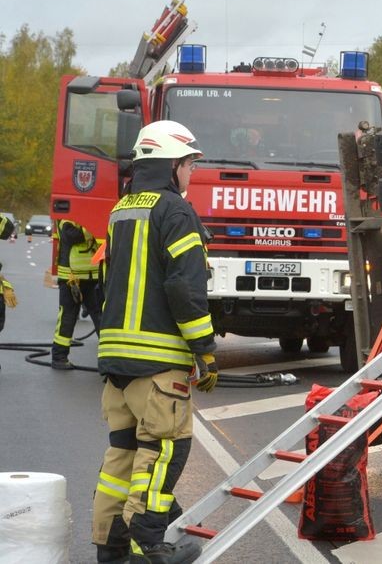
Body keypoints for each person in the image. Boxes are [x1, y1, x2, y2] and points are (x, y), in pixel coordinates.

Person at [92, 120, 216, 564]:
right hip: (159, 364)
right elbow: (185, 289)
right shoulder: (176, 211)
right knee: (164, 452)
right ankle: (149, 544)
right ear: (171, 165)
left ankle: (110, 546)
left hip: (117, 364)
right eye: (189, 164)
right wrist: (204, 350)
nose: (192, 174)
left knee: (121, 457)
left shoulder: (122, 209)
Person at [50, 218, 103, 369]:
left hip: (93, 276)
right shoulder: (67, 217)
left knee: (101, 317)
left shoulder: (95, 214)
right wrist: (93, 228)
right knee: (67, 317)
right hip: (71, 278)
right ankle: (59, 357)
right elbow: (70, 235)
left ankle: (109, 359)